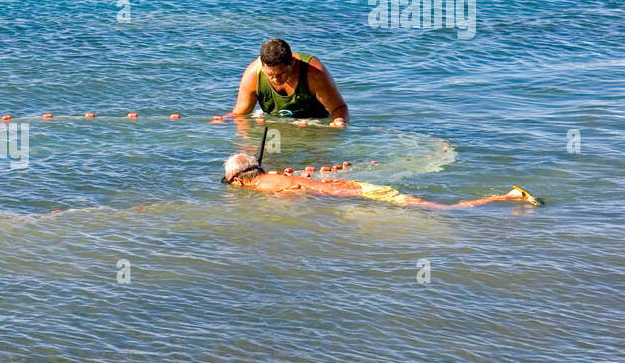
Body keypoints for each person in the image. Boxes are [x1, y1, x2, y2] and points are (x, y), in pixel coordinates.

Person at [220, 152, 541, 209]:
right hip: (357, 189)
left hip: (364, 192)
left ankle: (510, 196)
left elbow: (296, 188)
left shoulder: (266, 185)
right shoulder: (270, 177)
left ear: (238, 179)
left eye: (228, 180)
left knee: (444, 209)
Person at [228, 38, 348, 126]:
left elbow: (339, 108)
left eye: (282, 73)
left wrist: (339, 121)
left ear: (292, 63)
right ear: (263, 66)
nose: (275, 79)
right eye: (270, 74)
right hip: (275, 125)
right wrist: (225, 119)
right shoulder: (253, 74)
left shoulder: (314, 74)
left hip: (312, 124)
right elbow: (241, 113)